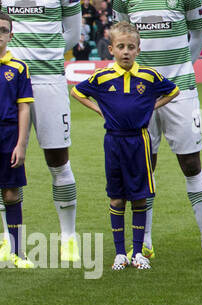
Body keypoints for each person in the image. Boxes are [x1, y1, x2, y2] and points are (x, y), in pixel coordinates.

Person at [110, 0, 202, 262]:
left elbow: (198, 36)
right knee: (145, 167)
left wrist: (179, 70)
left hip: (180, 92)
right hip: (139, 97)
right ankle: (144, 241)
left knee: (191, 164)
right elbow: (123, 38)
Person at [0, 0, 82, 264]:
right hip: (7, 84)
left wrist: (44, 55)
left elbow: (73, 34)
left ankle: (68, 236)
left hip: (48, 81)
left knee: (57, 159)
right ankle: (8, 240)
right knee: (4, 164)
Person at [72, 22, 179, 271]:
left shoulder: (149, 76)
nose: (126, 52)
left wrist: (151, 106)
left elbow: (173, 91)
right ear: (111, 49)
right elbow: (77, 92)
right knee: (117, 197)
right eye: (121, 47)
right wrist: (100, 110)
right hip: (113, 141)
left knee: (139, 197)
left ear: (138, 50)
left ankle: (139, 252)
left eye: (131, 47)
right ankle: (120, 253)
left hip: (139, 140)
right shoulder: (102, 77)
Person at [0, 12, 33, 267]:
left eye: (3, 30)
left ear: (11, 36)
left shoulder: (19, 68)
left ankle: (17, 252)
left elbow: (24, 108)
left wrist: (21, 144)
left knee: (11, 194)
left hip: (8, 136)